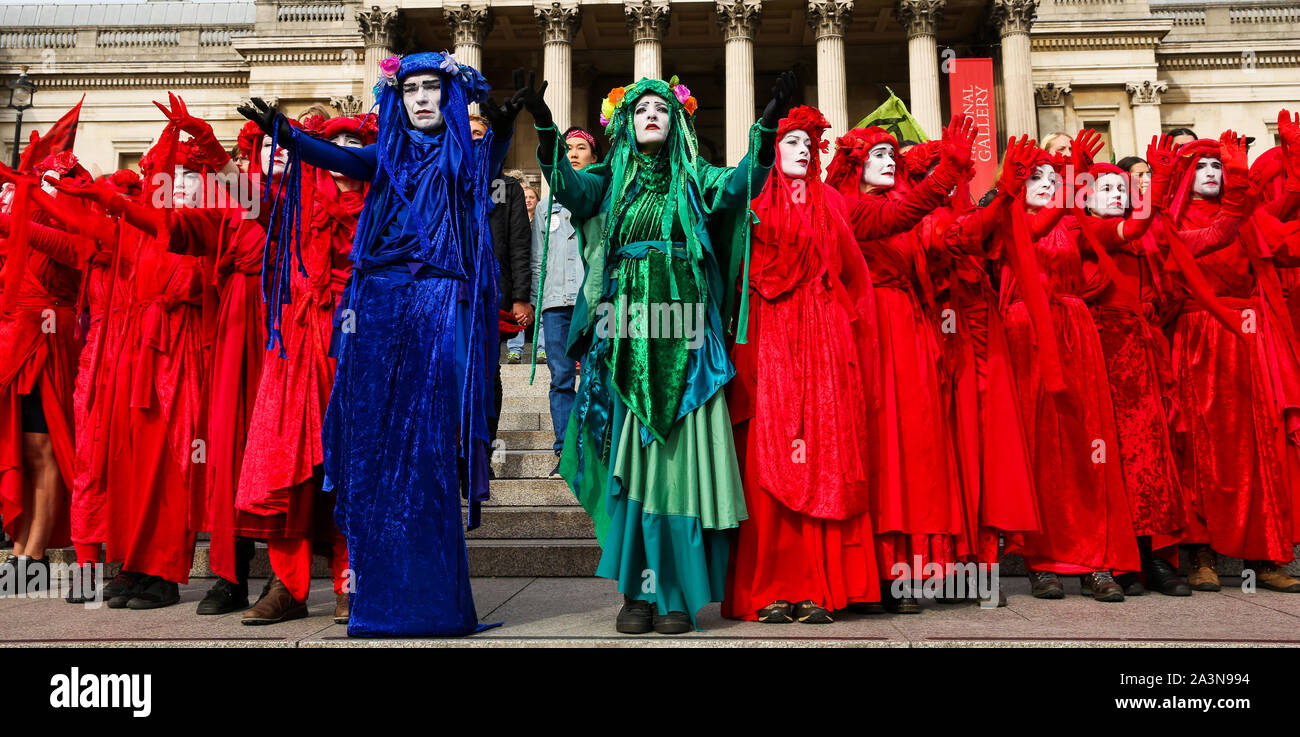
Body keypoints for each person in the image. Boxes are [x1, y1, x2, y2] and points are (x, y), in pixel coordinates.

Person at [238, 50, 519, 636]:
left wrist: (509, 118)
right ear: (399, 97)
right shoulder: (385, 155)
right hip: (380, 303)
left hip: (439, 301)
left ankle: (431, 602)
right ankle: (373, 598)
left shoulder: (463, 155)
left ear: (447, 96)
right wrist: (284, 133)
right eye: (410, 88)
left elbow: (488, 154)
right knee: (377, 447)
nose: (421, 97)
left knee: (430, 450)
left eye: (432, 88)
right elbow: (337, 156)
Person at [517, 68, 795, 633]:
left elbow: (744, 182)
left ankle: (674, 593)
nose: (651, 115)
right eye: (641, 108)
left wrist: (766, 125)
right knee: (633, 466)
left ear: (676, 125)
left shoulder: (698, 178)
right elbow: (568, 189)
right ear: (625, 122)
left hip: (689, 335)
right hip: (624, 338)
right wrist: (544, 123)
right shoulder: (606, 180)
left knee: (677, 467)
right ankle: (637, 592)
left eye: (662, 110)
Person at [722, 105, 881, 624]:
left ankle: (818, 586)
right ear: (772, 150)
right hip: (770, 340)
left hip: (823, 340)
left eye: (808, 145)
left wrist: (847, 337)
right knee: (771, 460)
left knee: (823, 454)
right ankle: (770, 587)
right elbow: (736, 279)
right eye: (790, 143)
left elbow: (855, 274)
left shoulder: (831, 202)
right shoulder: (754, 204)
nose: (801, 151)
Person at [825, 115, 978, 612]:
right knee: (880, 443)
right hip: (869, 328)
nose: (889, 161)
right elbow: (894, 219)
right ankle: (880, 570)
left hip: (911, 329)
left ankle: (924, 565)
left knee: (917, 445)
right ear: (854, 164)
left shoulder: (902, 210)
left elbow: (941, 236)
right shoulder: (848, 208)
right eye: (878, 155)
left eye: (894, 154)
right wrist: (944, 174)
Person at [235, 113, 376, 625]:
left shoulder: (384, 205)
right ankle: (286, 586)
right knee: (289, 466)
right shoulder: (295, 201)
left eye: (352, 143)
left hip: (358, 343)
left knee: (349, 464)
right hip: (298, 346)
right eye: (332, 143)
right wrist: (219, 151)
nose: (340, 153)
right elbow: (251, 200)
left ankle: (349, 581)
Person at [1158, 129, 1300, 593]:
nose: (1214, 172)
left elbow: (1285, 223)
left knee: (1259, 450)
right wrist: (1240, 191)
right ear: (1183, 174)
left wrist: (1293, 160)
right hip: (1199, 338)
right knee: (1201, 452)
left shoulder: (1248, 215)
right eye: (1203, 165)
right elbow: (1198, 244)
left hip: (1250, 340)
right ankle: (1201, 555)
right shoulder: (1174, 221)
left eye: (1219, 165)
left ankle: (1264, 558)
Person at [529, 127, 600, 479]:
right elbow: (537, 259)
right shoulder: (545, 206)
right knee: (560, 378)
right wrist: (533, 303)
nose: (572, 153)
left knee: (593, 376)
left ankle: (592, 452)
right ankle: (564, 452)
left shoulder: (602, 198)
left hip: (592, 302)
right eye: (567, 148)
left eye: (581, 148)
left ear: (594, 157)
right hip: (556, 302)